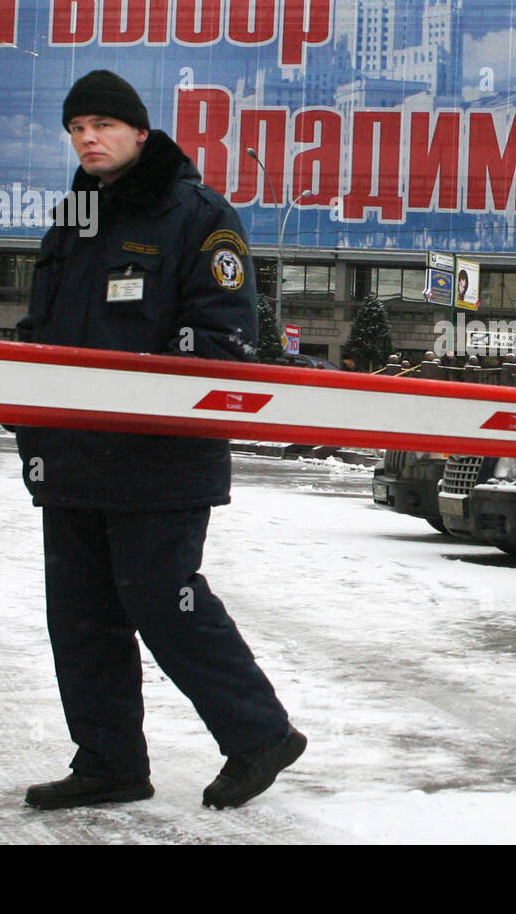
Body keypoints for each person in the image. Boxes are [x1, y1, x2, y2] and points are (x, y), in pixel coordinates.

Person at [16, 70, 305, 811]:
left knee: (162, 601)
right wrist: (24, 413)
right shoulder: (73, 219)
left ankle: (260, 735)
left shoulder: (197, 215)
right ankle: (110, 763)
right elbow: (41, 334)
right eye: (76, 126)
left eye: (104, 125)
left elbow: (223, 340)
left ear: (140, 134)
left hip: (158, 460)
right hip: (74, 457)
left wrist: (135, 391)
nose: (88, 138)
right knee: (80, 620)